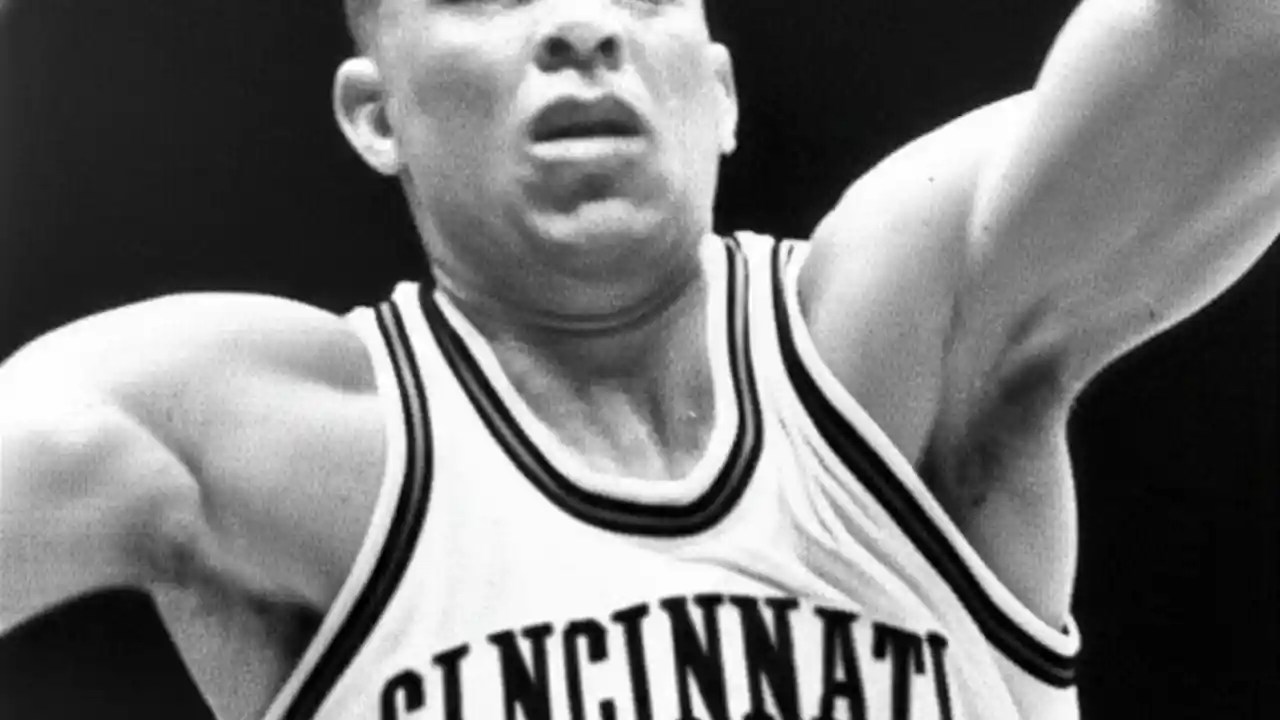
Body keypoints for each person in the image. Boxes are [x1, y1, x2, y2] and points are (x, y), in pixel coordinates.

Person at [1, 0, 1277, 718]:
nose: (577, 26)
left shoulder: (895, 341)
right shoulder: (263, 431)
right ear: (374, 112)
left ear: (717, 93)